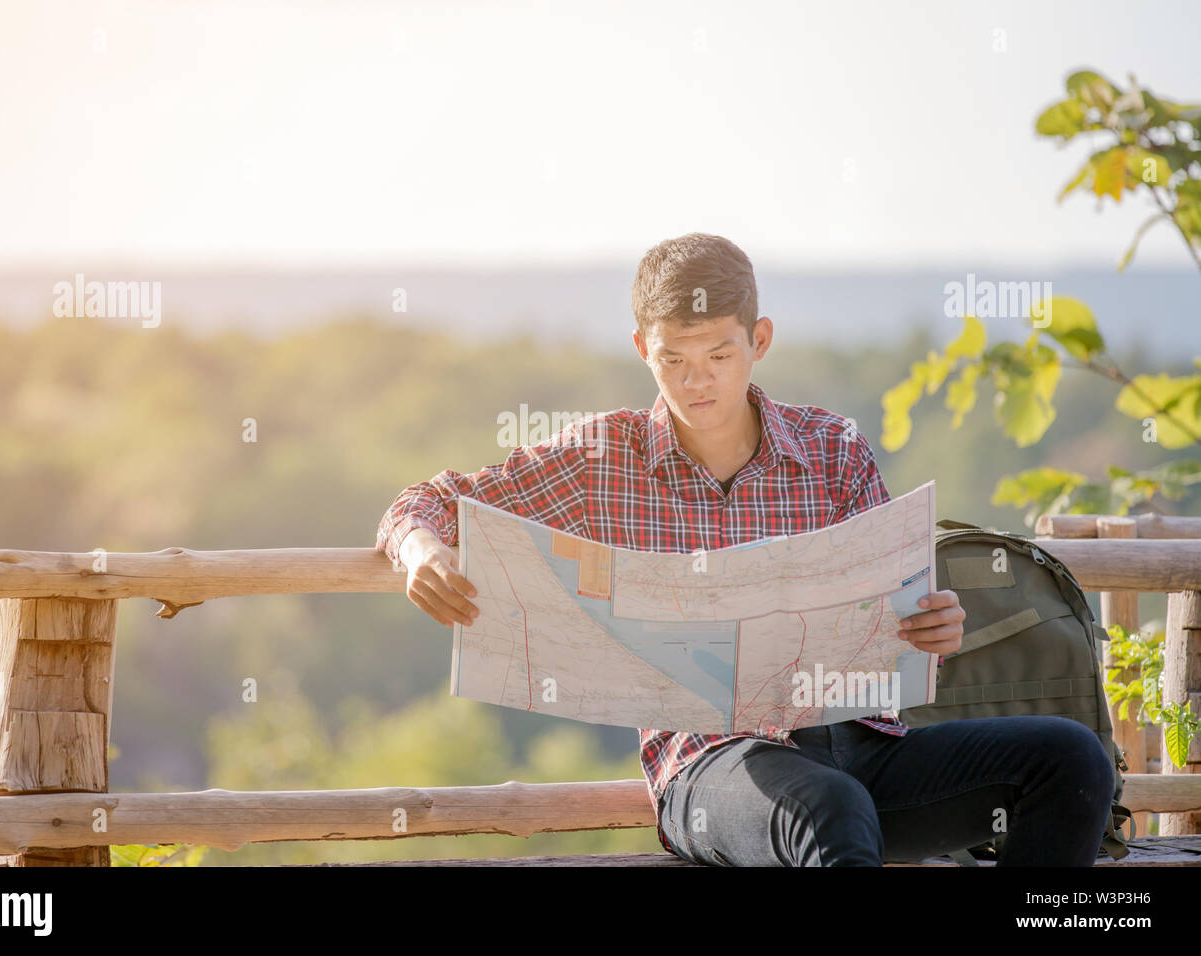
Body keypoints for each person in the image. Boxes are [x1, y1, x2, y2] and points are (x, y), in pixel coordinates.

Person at [375, 232, 1116, 867]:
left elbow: (897, 618)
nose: (696, 381)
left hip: (862, 747)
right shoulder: (603, 458)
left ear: (759, 340)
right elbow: (428, 499)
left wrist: (933, 630)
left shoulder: (833, 449)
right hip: (715, 766)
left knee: (1069, 759)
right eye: (673, 359)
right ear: (641, 349)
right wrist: (419, 549)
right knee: (831, 811)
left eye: (719, 354)